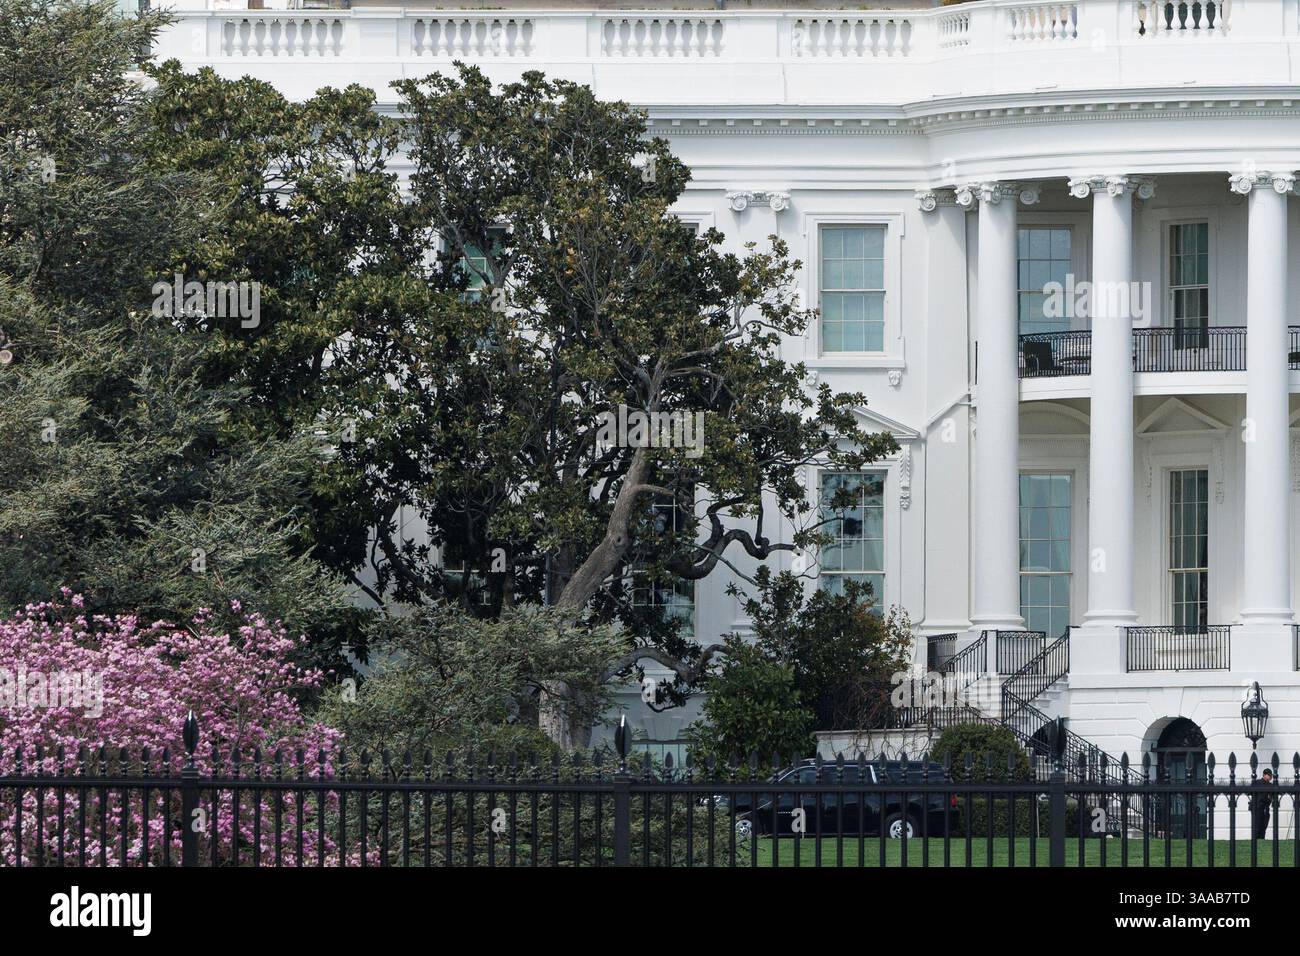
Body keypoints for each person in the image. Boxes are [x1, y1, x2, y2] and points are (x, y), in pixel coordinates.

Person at [1250, 768, 1275, 840]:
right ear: (1264, 775)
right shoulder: (1257, 782)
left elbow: (1272, 797)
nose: (1270, 777)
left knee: (1264, 826)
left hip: (1265, 808)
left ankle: (1261, 840)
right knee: (1257, 827)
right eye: (1269, 775)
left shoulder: (1271, 785)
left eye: (1271, 775)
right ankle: (1256, 840)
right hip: (1257, 808)